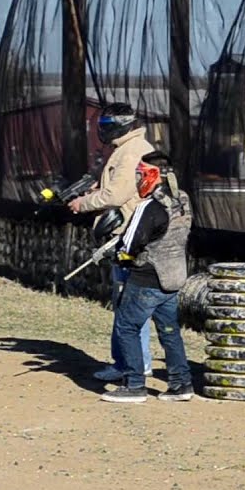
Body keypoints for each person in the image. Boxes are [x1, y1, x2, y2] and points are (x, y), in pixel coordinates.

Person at [69, 103, 156, 381]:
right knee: (128, 304)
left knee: (128, 304)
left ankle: (131, 365)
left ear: (122, 125)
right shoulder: (129, 149)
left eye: (107, 127)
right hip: (132, 234)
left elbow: (116, 197)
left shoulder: (131, 152)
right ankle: (130, 362)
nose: (103, 132)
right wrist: (98, 189)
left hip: (129, 237)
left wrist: (83, 203)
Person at [101, 154, 196, 403]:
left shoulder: (149, 206)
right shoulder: (183, 199)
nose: (138, 179)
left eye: (140, 175)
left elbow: (129, 244)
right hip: (174, 276)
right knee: (169, 330)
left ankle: (134, 385)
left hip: (147, 278)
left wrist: (115, 254)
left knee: (127, 326)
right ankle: (181, 384)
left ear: (151, 175)